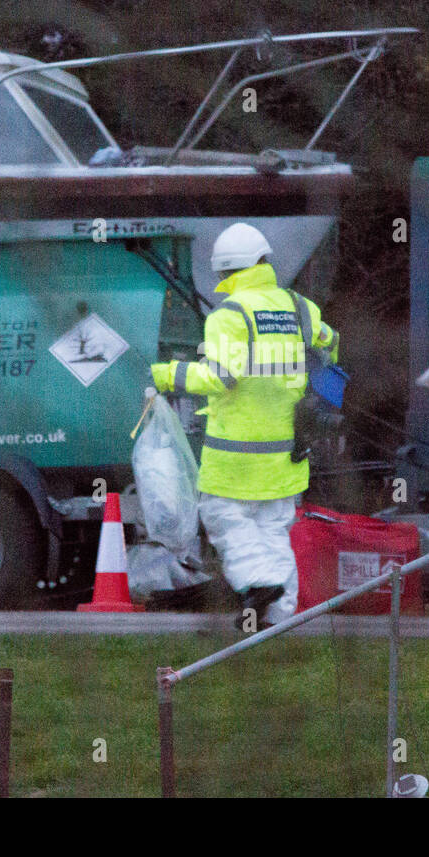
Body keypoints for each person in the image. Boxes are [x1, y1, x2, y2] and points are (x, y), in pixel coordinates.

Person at [150, 222, 338, 630]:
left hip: (236, 450)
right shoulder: (300, 308)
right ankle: (277, 617)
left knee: (222, 515)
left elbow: (221, 377)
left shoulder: (229, 316)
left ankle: (257, 581)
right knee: (274, 528)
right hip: (289, 449)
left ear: (229, 271)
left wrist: (168, 375)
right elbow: (329, 344)